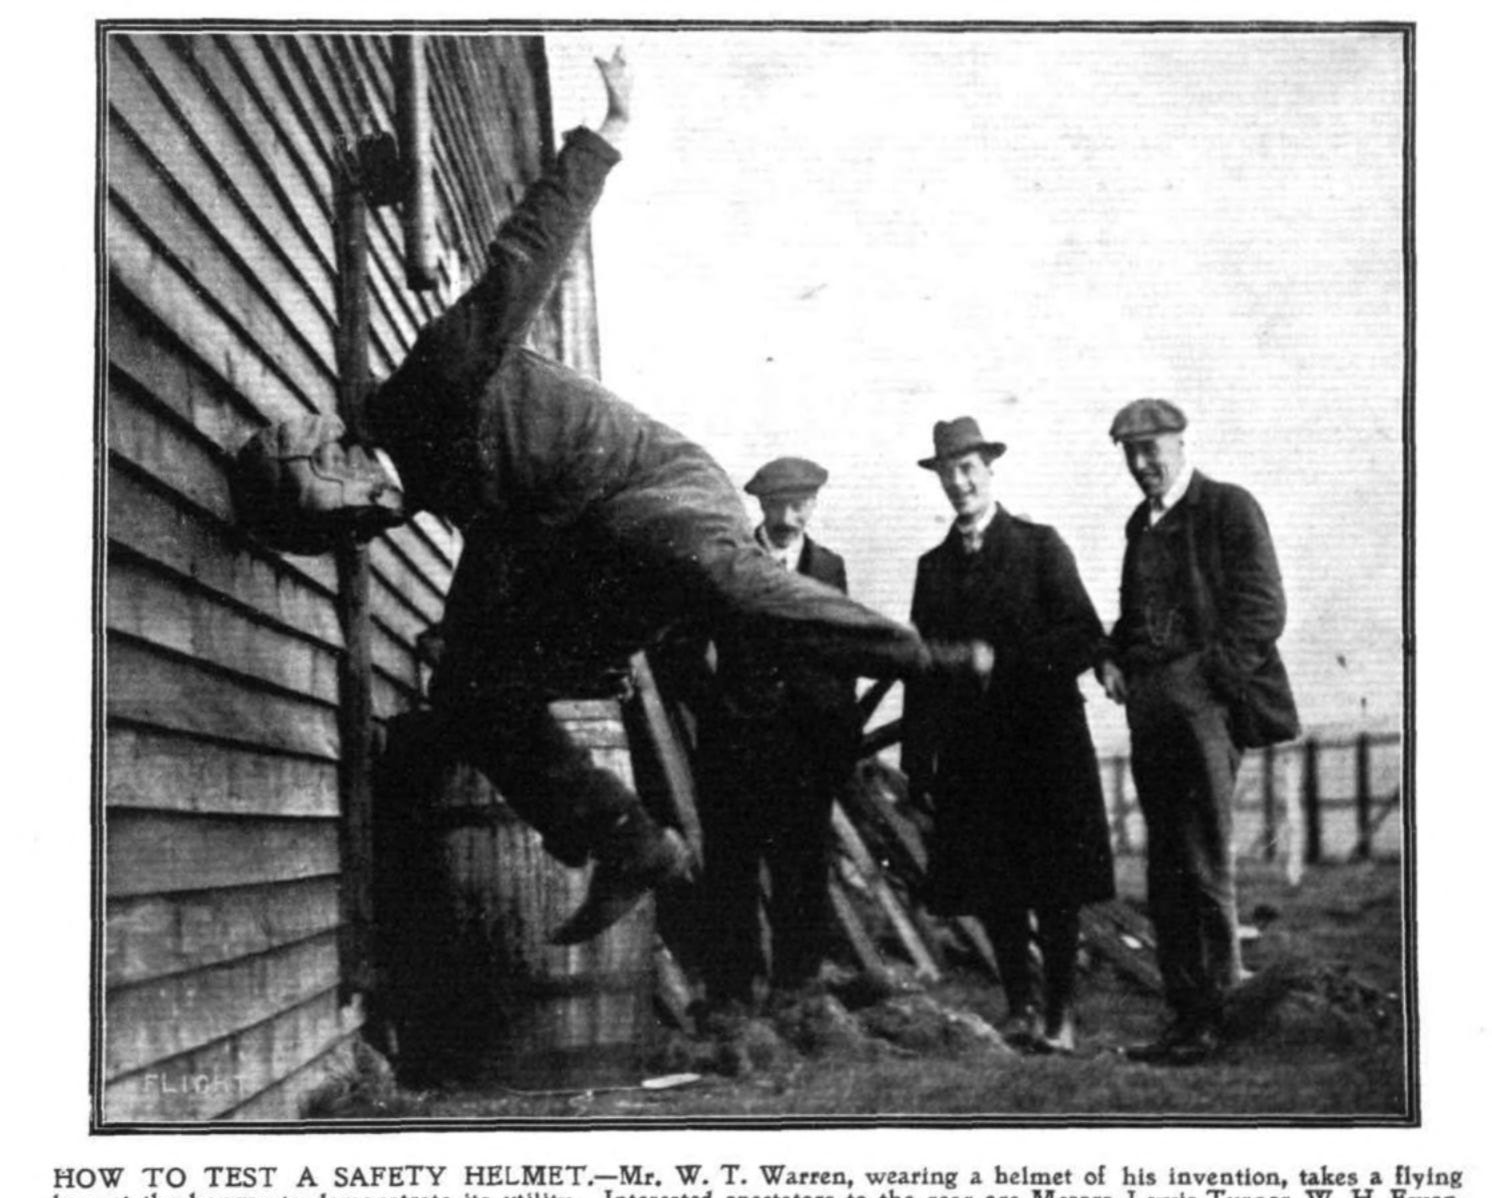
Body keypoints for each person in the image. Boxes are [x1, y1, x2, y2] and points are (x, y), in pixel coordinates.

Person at [232, 51, 988, 947]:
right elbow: (499, 533)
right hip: (579, 542)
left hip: (654, 486)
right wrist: (472, 636)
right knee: (471, 691)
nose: (375, 521)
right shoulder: (401, 481)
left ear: (344, 459)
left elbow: (526, 252)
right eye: (354, 529)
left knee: (707, 575)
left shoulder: (438, 372)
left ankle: (913, 655)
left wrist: (610, 131)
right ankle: (630, 844)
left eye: (358, 508)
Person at [902, 417, 1114, 1054]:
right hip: (972, 751)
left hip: (1043, 743)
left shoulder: (1039, 545)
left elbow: (1082, 634)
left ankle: (1060, 1015)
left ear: (990, 471)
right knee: (993, 883)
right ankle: (1020, 1007)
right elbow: (922, 668)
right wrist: (919, 760)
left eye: (970, 469)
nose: (960, 482)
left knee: (1054, 885)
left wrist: (1004, 661)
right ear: (939, 480)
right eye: (949, 472)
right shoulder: (933, 568)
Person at [1098, 398, 1299, 1065]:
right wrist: (1114, 656)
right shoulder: (1140, 525)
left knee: (1204, 857)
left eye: (1152, 448)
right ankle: (1184, 1017)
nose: (1142, 463)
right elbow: (1137, 621)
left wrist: (1207, 679)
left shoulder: (1227, 507)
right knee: (1166, 865)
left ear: (1182, 444)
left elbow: (1264, 606)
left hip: (1206, 707)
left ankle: (1219, 1012)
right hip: (1151, 709)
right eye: (1131, 452)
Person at [690, 457, 862, 1006]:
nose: (788, 517)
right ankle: (731, 1000)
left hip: (807, 752)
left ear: (814, 504)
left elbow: (843, 654)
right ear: (759, 506)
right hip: (737, 749)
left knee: (803, 869)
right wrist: (718, 707)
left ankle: (796, 995)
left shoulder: (829, 567)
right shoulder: (731, 564)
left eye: (800, 504)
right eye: (778, 505)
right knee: (733, 871)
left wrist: (835, 731)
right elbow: (682, 649)